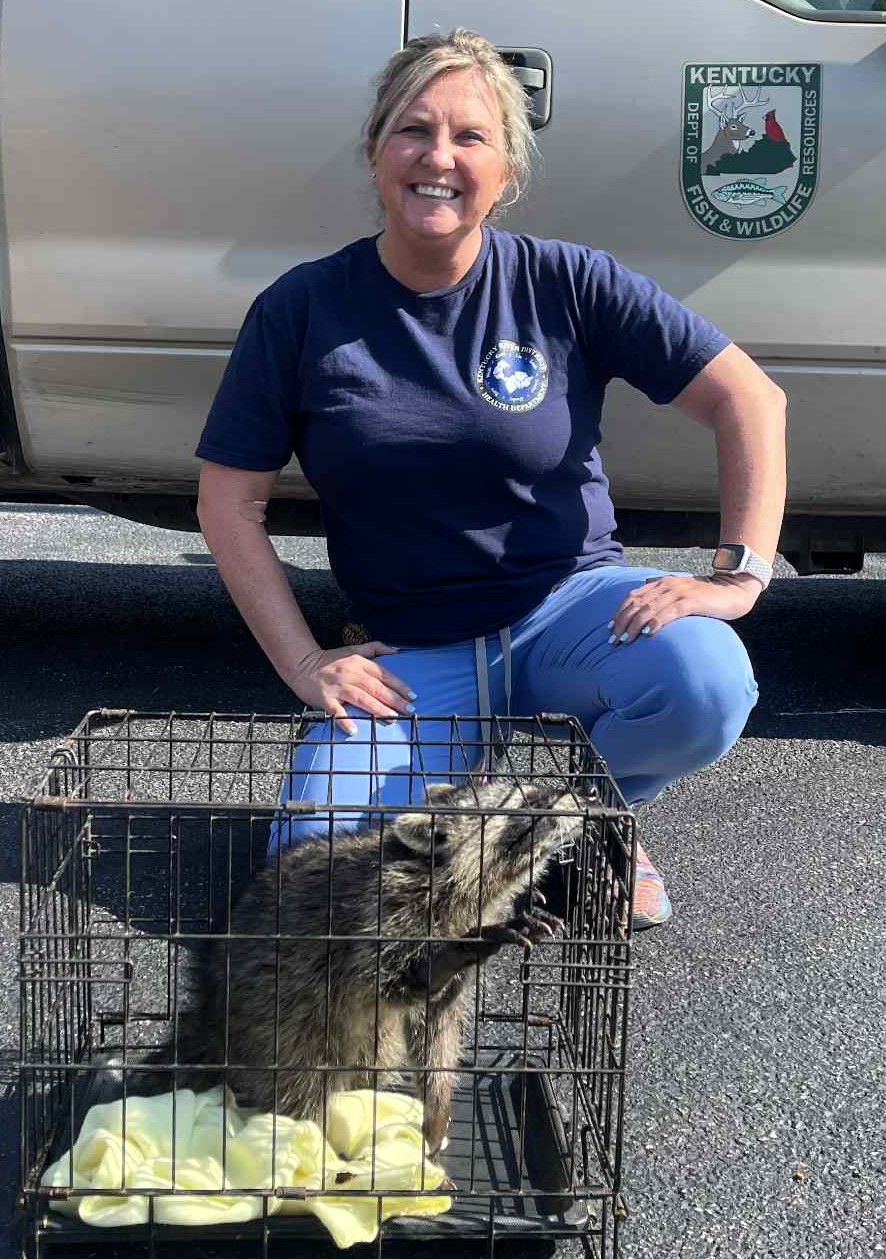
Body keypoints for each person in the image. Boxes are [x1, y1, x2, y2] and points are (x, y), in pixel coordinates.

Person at [195, 29, 786, 929]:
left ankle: (586, 819)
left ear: (506, 170)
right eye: (413, 131)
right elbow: (228, 501)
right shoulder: (301, 309)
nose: (439, 158)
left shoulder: (567, 281)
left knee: (704, 683)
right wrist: (304, 661)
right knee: (310, 862)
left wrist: (738, 577)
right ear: (375, 153)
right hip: (413, 651)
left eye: (470, 137)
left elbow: (748, 399)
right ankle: (484, 812)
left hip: (570, 613)